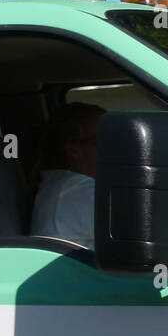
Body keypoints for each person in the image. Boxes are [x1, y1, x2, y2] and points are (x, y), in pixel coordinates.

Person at [30, 102, 105, 245]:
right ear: (73, 150)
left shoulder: (60, 184)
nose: (118, 145)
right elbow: (149, 227)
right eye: (106, 139)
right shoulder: (78, 189)